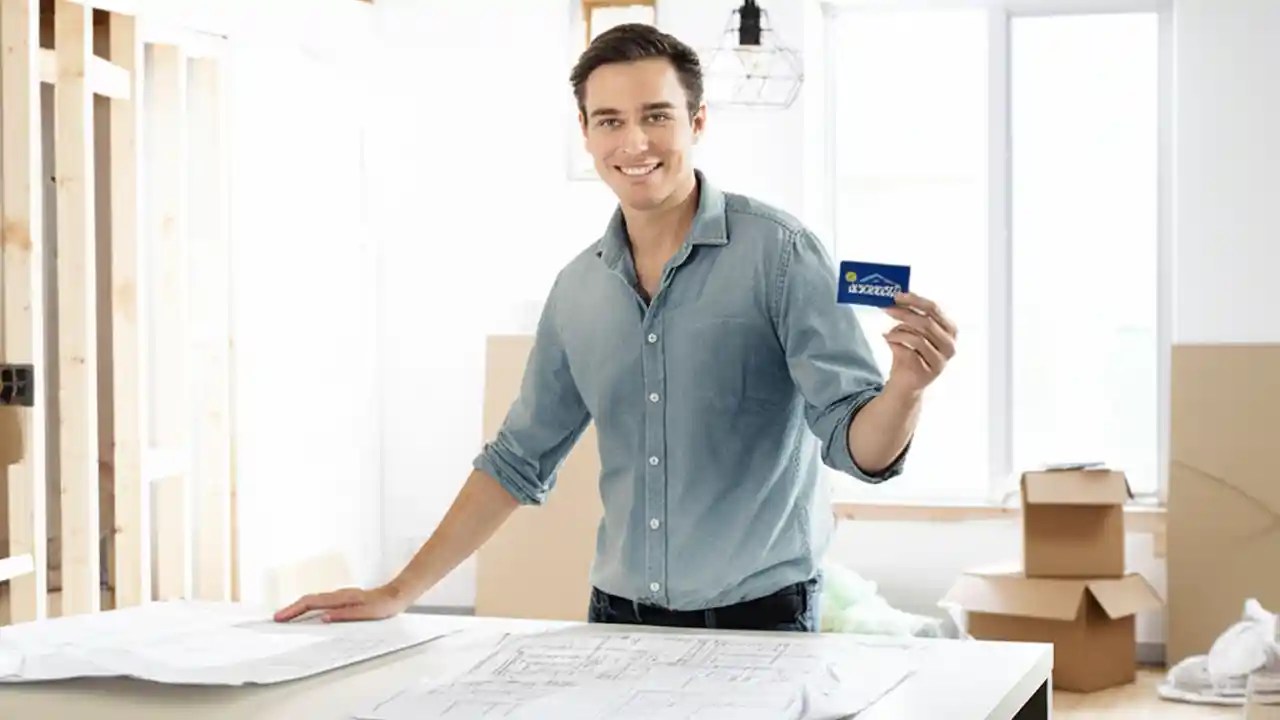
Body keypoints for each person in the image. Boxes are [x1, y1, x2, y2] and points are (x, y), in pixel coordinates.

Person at [274, 23, 957, 632]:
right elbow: (516, 460)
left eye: (656, 115)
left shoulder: (782, 254)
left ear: (698, 122)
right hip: (616, 619)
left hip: (761, 620)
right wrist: (399, 591)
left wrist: (905, 387)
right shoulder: (577, 290)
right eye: (609, 121)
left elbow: (856, 448)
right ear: (586, 134)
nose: (633, 142)